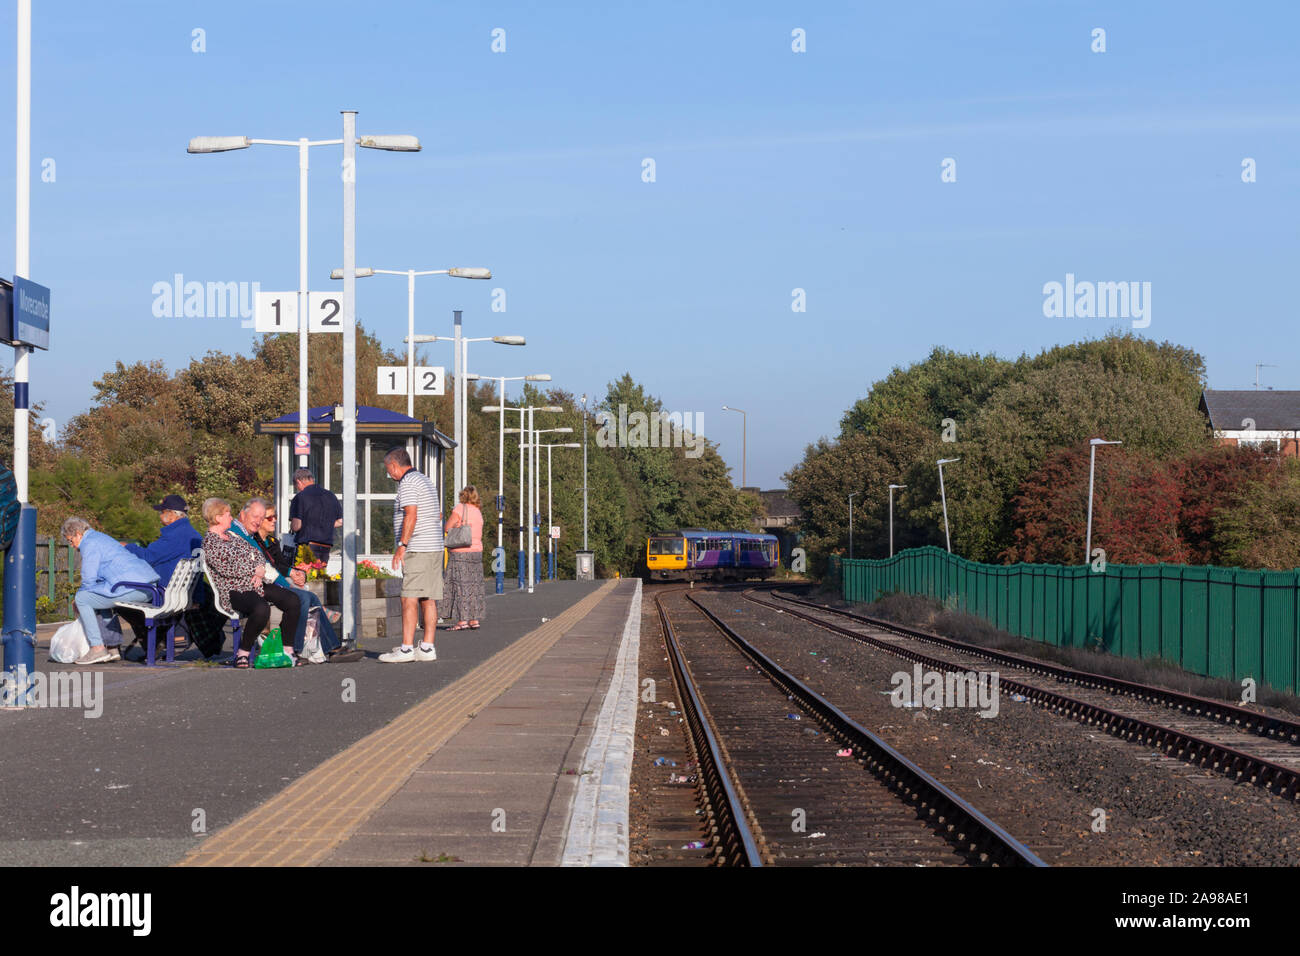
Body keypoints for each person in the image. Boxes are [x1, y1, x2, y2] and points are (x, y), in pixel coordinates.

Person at [231, 497, 354, 663]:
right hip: (261, 585)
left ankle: (331, 647)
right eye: (268, 518)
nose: (273, 520)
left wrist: (294, 572)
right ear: (246, 516)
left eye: (272, 517)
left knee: (310, 597)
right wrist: (288, 581)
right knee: (302, 598)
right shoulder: (252, 539)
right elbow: (268, 568)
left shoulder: (271, 541)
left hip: (271, 581)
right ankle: (295, 649)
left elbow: (279, 565)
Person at [201, 497, 299, 669]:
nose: (231, 519)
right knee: (261, 609)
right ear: (217, 518)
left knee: (292, 600)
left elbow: (257, 553)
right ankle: (243, 653)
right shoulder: (211, 541)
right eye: (228, 515)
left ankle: (286, 649)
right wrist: (255, 569)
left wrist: (260, 567)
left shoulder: (231, 537)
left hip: (254, 584)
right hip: (233, 590)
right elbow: (227, 569)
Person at [62, 516, 159, 665]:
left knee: (83, 599)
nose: (72, 546)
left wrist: (77, 597)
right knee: (98, 595)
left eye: (70, 540)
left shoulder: (89, 544)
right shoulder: (101, 537)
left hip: (134, 588)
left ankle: (97, 648)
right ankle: (112, 649)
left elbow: (88, 578)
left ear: (78, 534)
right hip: (146, 586)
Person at [117, 494, 203, 659]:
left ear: (172, 514)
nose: (159, 515)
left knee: (121, 602)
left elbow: (148, 555)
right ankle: (156, 641)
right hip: (182, 594)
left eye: (162, 512)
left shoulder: (174, 535)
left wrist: (127, 547)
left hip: (165, 594)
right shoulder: (193, 534)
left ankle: (153, 643)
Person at [379, 448, 442, 663]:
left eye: (389, 470)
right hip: (433, 546)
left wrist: (402, 545)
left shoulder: (407, 483)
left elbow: (410, 514)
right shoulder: (425, 480)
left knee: (408, 597)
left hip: (418, 548)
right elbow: (437, 513)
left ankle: (406, 649)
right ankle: (427, 646)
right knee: (428, 598)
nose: (390, 475)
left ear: (395, 465)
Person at [443, 485, 485, 630]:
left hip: (460, 552)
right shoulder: (478, 512)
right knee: (475, 586)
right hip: (476, 552)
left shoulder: (460, 509)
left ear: (463, 496)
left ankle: (462, 621)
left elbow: (447, 527)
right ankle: (474, 619)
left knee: (460, 586)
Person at [289, 468, 342, 565]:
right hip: (326, 545)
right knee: (319, 575)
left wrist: (292, 527)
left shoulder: (300, 497)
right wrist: (325, 525)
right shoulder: (331, 496)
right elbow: (340, 521)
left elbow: (297, 526)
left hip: (307, 544)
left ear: (298, 481)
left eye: (296, 485)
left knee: (304, 575)